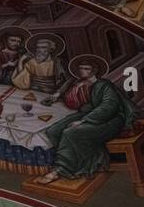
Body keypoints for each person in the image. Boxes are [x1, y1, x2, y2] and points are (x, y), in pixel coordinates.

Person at [35, 55, 136, 186]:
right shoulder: (77, 83)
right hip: (87, 114)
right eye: (81, 68)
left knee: (70, 132)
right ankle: (79, 162)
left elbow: (108, 107)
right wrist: (56, 96)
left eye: (86, 68)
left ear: (94, 71)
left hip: (111, 120)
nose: (82, 71)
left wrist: (84, 121)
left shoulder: (104, 85)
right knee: (53, 131)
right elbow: (65, 92)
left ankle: (59, 170)